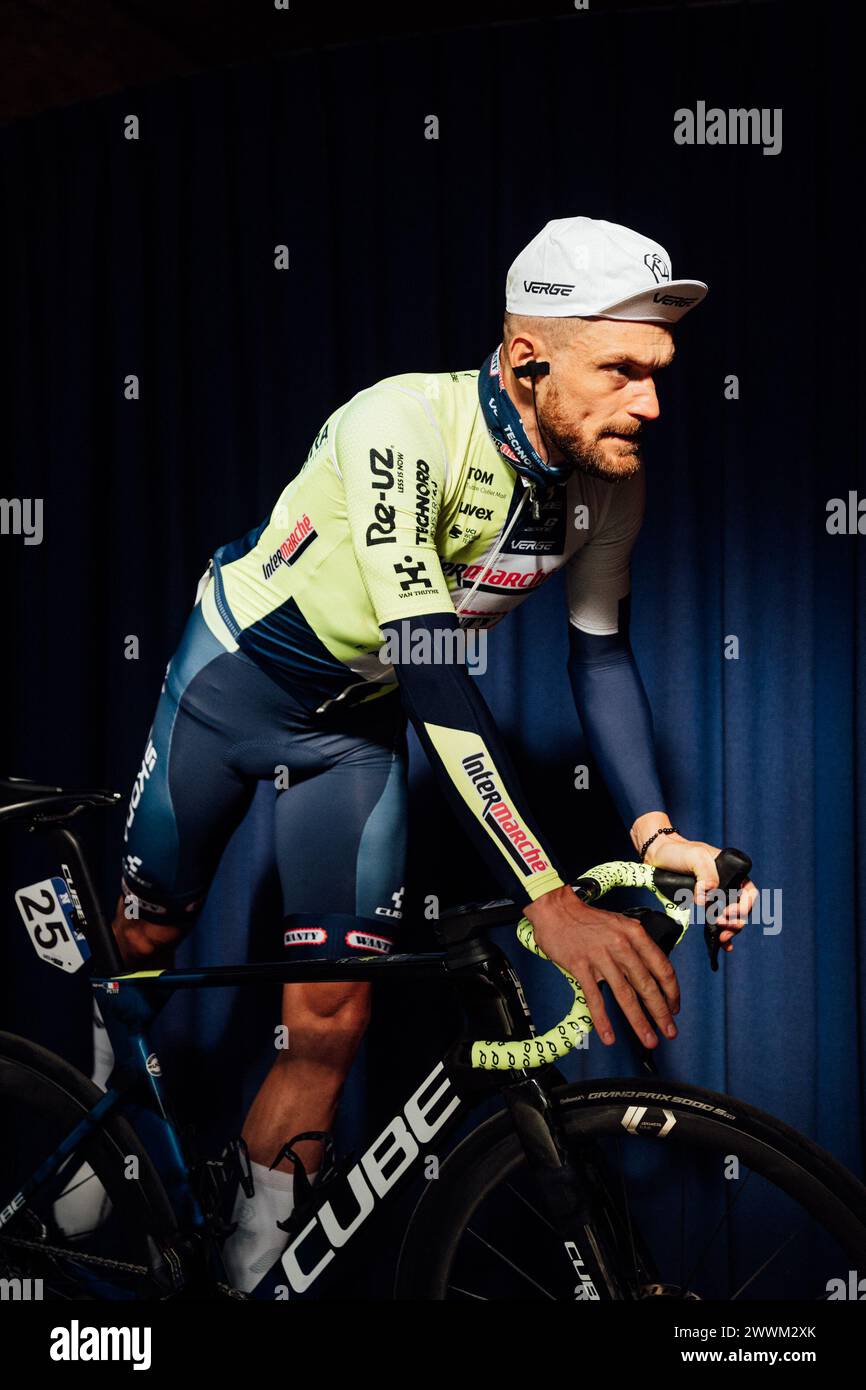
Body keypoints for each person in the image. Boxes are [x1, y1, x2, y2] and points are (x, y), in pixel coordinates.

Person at [56, 216, 757, 1290]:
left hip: (355, 728)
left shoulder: (608, 481)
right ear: (528, 358)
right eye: (621, 370)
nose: (651, 404)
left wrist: (654, 833)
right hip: (233, 685)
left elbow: (600, 659)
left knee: (332, 1012)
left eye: (658, 374)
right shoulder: (401, 426)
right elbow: (432, 663)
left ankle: (245, 1264)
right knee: (150, 928)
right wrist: (542, 891)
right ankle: (101, 1097)